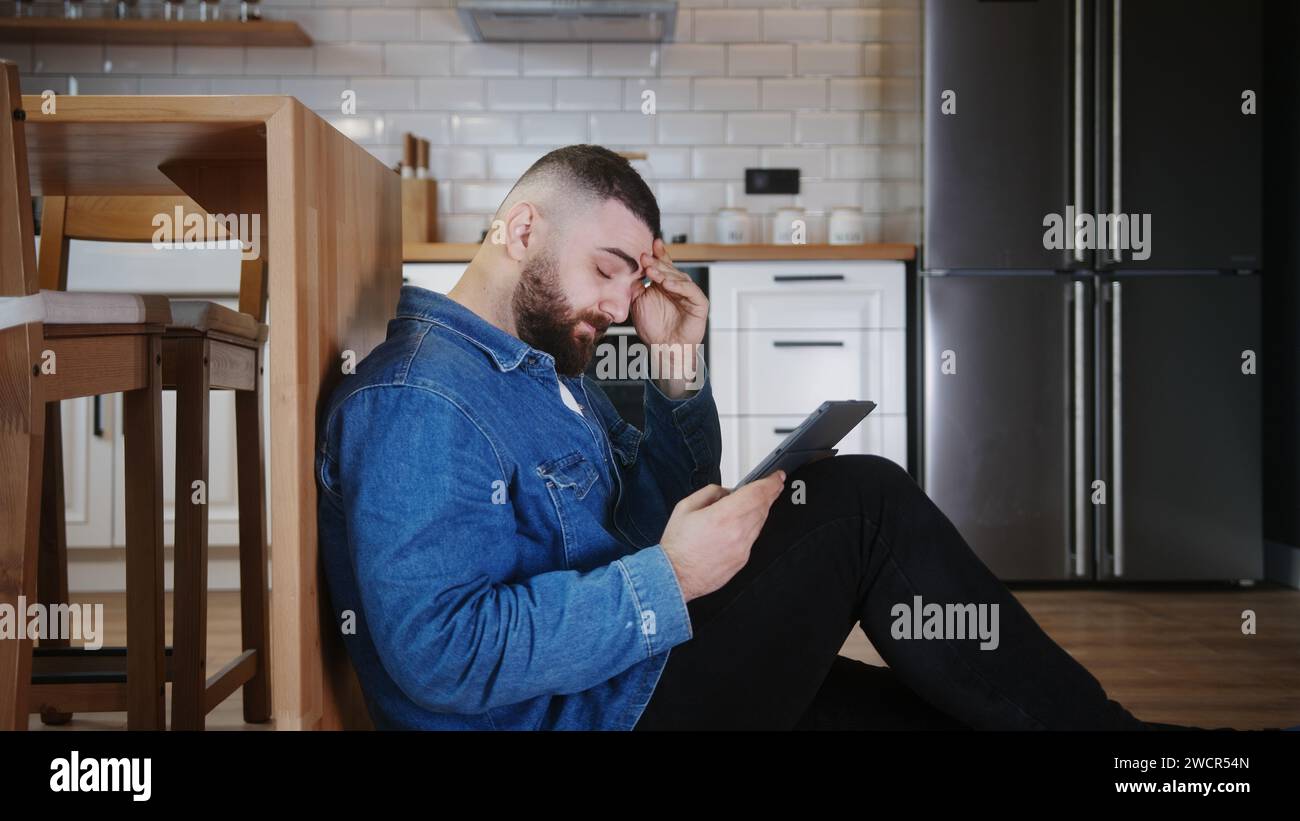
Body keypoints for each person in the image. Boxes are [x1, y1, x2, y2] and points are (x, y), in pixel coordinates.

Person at [315, 144, 1185, 731]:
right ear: (523, 229)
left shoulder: (542, 374)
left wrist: (679, 367)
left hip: (632, 670)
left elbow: (660, 509)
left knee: (938, 706)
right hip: (596, 713)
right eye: (609, 269)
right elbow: (439, 654)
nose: (620, 306)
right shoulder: (422, 393)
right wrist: (671, 575)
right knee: (861, 502)